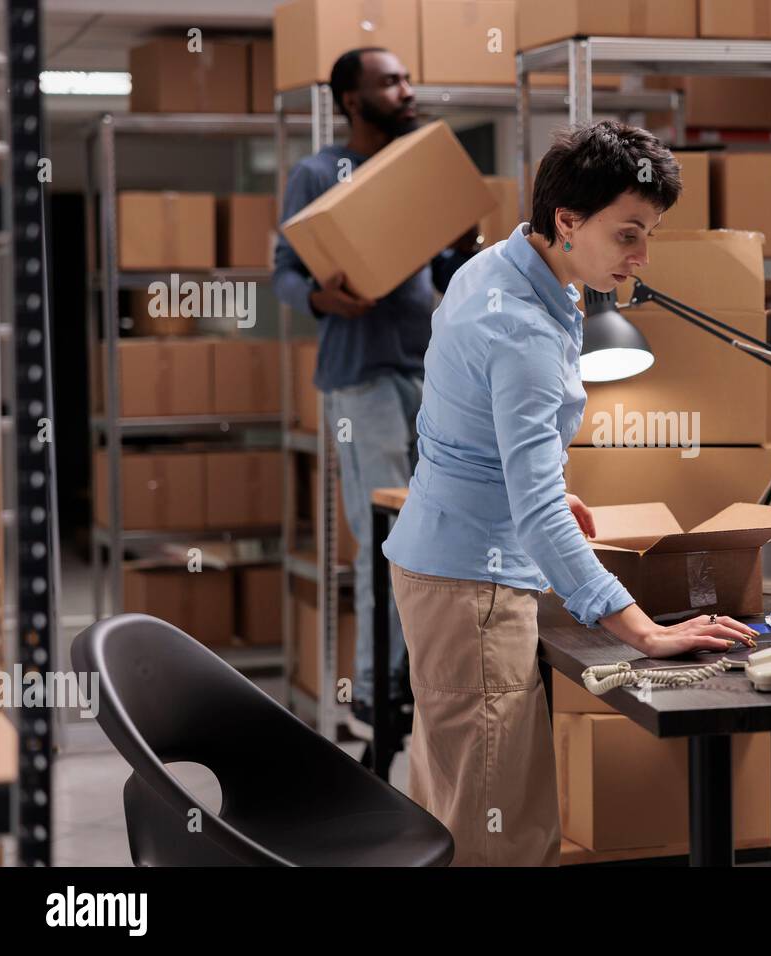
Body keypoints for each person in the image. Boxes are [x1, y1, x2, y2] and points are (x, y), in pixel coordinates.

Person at [382, 120, 761, 867]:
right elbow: (532, 507)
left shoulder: (496, 266)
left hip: (444, 566)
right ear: (567, 221)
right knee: (503, 835)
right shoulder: (521, 330)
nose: (640, 258)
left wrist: (542, 481)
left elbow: (462, 425)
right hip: (475, 588)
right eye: (628, 236)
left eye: (647, 235)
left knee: (453, 808)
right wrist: (646, 634)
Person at [273, 47, 471, 737]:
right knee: (386, 536)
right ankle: (373, 687)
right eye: (391, 81)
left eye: (407, 77)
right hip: (361, 379)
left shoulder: (412, 169)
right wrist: (321, 299)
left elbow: (445, 266)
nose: (407, 90)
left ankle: (415, 675)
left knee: (436, 534)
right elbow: (283, 273)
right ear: (353, 100)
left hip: (430, 370)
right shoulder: (316, 172)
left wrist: (463, 242)